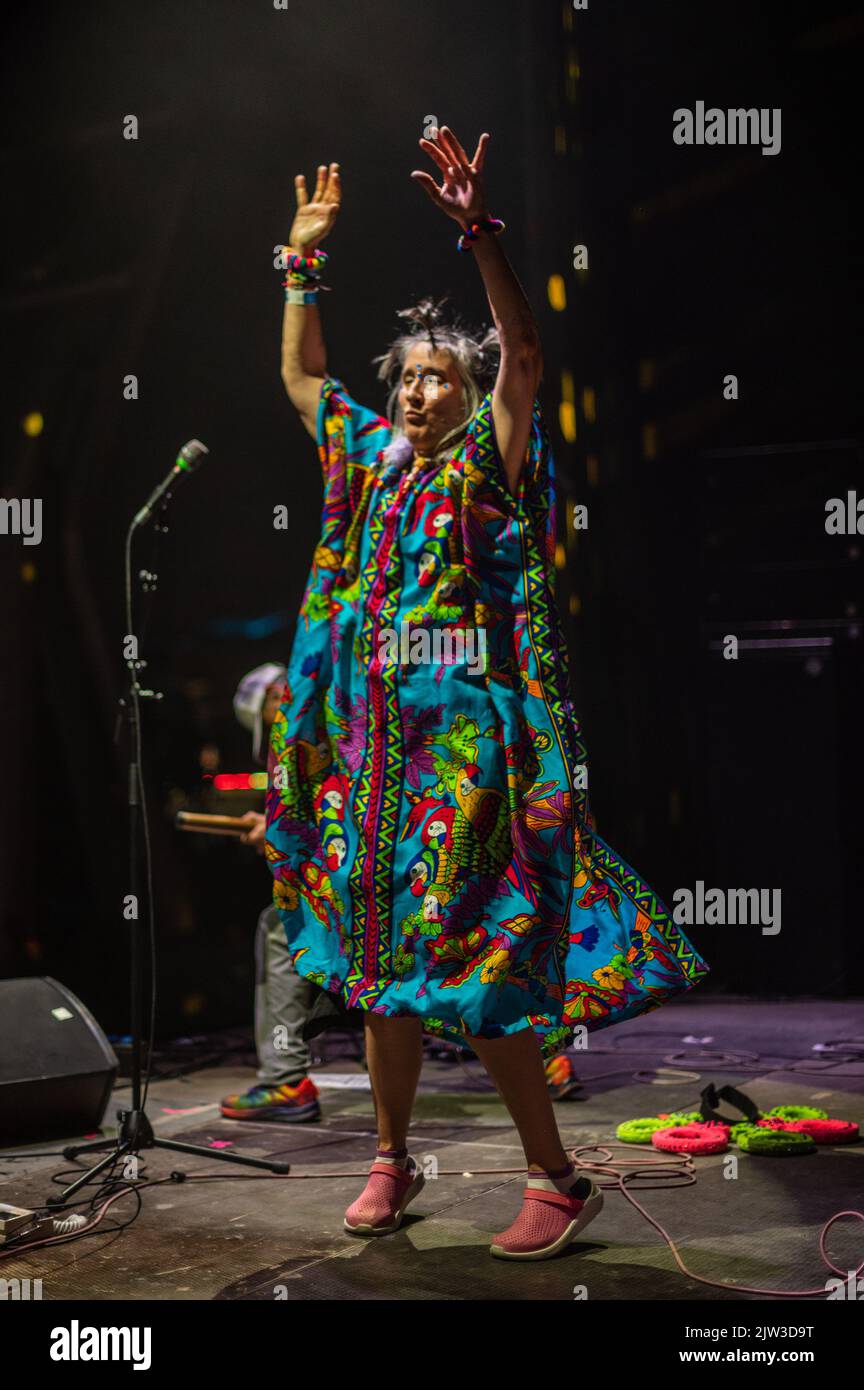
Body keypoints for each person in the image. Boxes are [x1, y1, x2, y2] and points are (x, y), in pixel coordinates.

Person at [265, 126, 710, 1259]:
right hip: (373, 761)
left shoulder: (486, 465)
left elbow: (522, 350)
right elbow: (302, 374)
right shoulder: (364, 461)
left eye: (436, 377)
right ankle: (389, 1157)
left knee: (483, 963)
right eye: (408, 375)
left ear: (465, 397)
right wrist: (301, 262)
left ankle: (556, 1177)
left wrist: (479, 234)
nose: (417, 390)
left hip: (472, 760)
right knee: (379, 970)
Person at [219, 662, 321, 1123]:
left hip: (365, 878)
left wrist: (277, 833)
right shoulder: (341, 701)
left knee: (281, 924)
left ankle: (285, 1080)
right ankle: (541, 1060)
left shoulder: (302, 722)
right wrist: (274, 826)